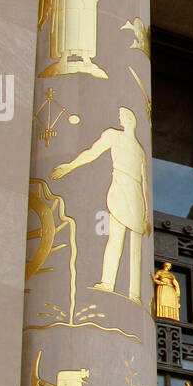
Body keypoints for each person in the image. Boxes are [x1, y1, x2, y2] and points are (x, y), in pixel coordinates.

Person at [51, 107, 150, 303]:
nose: (120, 118)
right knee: (115, 237)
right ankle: (108, 283)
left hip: (135, 192)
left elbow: (145, 181)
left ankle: (135, 295)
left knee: (135, 246)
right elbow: (92, 153)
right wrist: (70, 166)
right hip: (120, 186)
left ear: (131, 119)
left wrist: (147, 213)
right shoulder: (114, 136)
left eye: (123, 116)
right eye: (120, 116)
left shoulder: (139, 150)